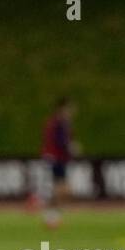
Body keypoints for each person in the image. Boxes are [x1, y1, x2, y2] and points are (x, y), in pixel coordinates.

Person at [40, 97, 78, 229]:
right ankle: (51, 217)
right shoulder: (58, 123)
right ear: (62, 108)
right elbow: (59, 142)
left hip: (57, 158)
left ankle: (52, 217)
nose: (71, 111)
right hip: (56, 159)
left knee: (61, 190)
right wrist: (71, 147)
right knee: (61, 190)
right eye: (69, 108)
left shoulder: (59, 122)